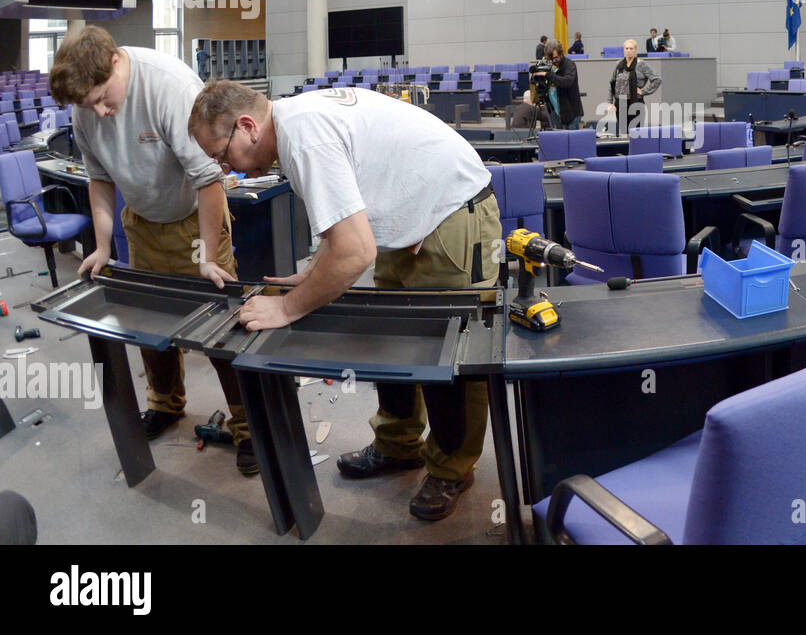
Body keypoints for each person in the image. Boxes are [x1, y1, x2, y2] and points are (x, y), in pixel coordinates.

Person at [188, 82, 500, 522]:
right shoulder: (294, 126)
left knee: (449, 350)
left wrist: (288, 306)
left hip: (450, 214)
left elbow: (354, 252)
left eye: (221, 154)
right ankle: (398, 444)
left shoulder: (303, 137)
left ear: (247, 126)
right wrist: (316, 270)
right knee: (396, 340)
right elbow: (342, 218)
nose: (222, 168)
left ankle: (452, 467)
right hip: (405, 218)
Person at [48, 26, 255, 476]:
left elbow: (209, 180)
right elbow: (100, 180)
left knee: (221, 330)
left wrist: (206, 253)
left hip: (195, 221)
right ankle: (166, 404)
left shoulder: (168, 87)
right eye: (89, 106)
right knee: (151, 325)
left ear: (117, 62)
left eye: (104, 97)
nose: (99, 112)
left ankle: (248, 428)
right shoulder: (88, 106)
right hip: (142, 224)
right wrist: (102, 247)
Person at [610, 38, 662, 132]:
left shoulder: (642, 64)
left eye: (631, 48)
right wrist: (610, 102)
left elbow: (657, 79)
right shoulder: (619, 64)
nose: (629, 51)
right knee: (624, 133)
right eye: (626, 48)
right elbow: (612, 83)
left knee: (636, 134)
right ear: (624, 50)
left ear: (635, 50)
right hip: (620, 103)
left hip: (636, 102)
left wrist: (643, 91)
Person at [543, 39, 582, 129]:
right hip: (556, 113)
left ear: (561, 53)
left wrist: (549, 75)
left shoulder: (569, 65)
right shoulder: (551, 66)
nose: (554, 60)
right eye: (551, 59)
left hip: (571, 113)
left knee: (573, 142)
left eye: (556, 57)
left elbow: (567, 82)